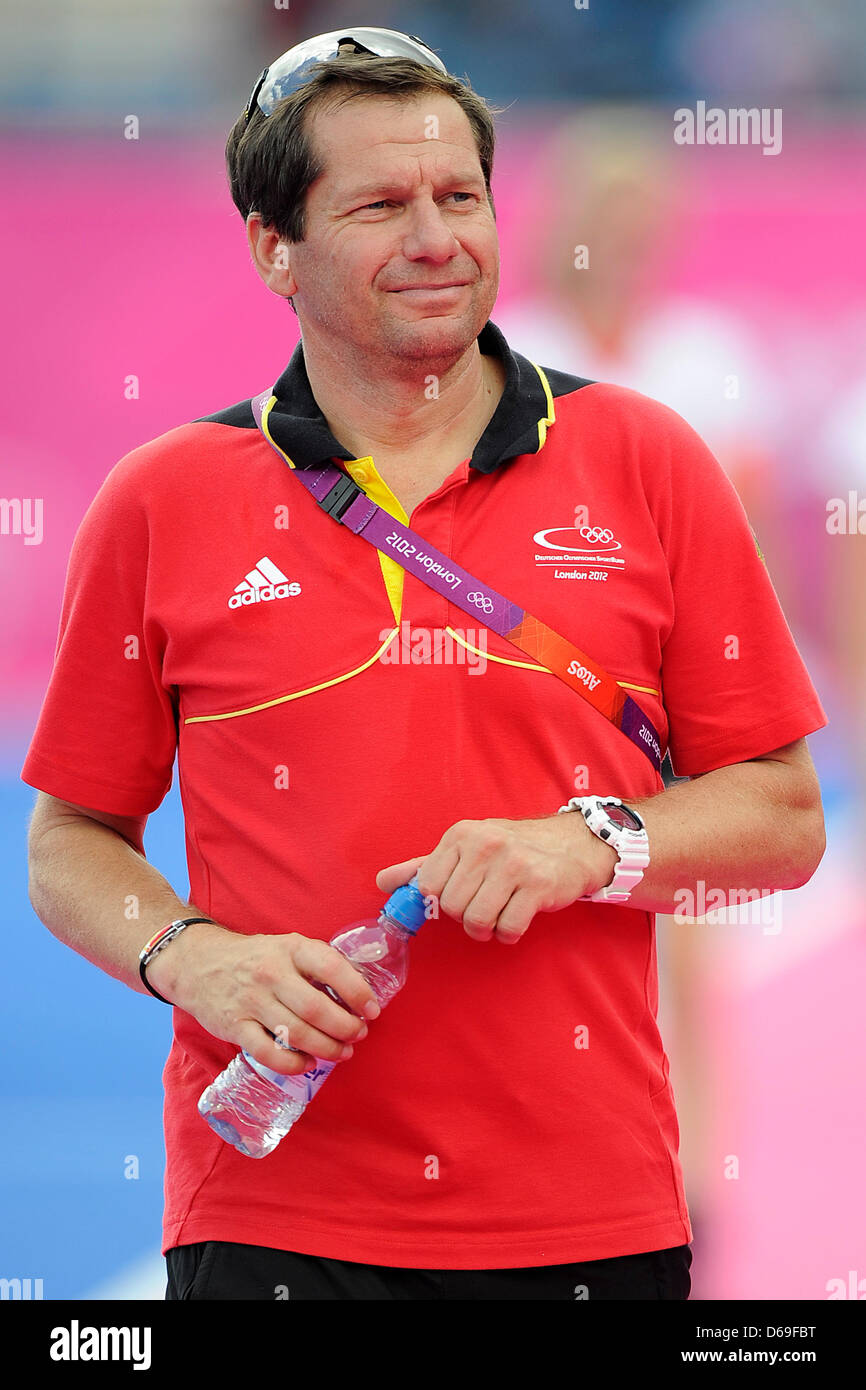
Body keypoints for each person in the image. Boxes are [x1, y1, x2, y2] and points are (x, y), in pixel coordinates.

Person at [22, 28, 828, 1302]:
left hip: (586, 1226)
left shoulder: (644, 458)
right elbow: (69, 834)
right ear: (269, 246)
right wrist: (189, 952)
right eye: (380, 205)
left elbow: (782, 812)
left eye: (459, 197)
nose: (436, 238)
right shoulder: (161, 500)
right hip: (268, 1219)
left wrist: (591, 842)